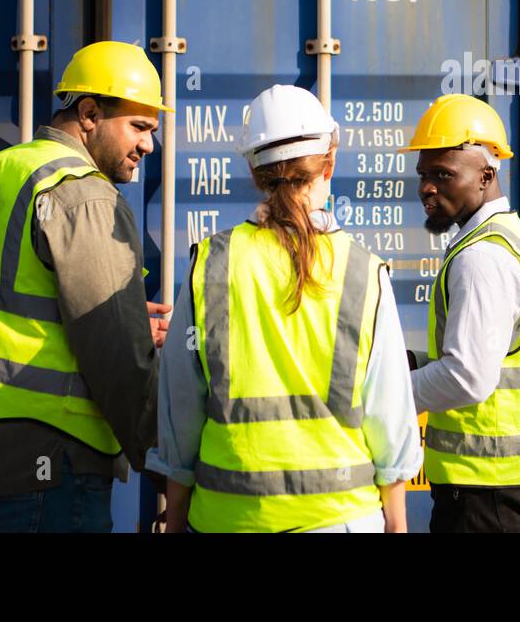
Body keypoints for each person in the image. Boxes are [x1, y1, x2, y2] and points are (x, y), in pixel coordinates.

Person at [0, 40, 173, 533]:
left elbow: (3, 303)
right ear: (89, 113)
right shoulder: (83, 195)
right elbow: (116, 358)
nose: (149, 145)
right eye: (140, 126)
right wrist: (165, 463)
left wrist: (117, 318)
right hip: (38, 463)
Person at [149, 84, 421, 533]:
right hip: (342, 520)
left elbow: (180, 411)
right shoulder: (362, 270)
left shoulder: (211, 265)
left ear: (254, 171)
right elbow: (388, 413)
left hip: (227, 519)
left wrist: (174, 518)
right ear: (329, 161)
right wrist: (397, 522)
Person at [399, 94, 520, 533]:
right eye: (423, 174)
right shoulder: (515, 238)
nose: (427, 187)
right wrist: (419, 364)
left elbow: (467, 376)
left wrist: (388, 393)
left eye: (443, 174)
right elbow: (496, 358)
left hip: (489, 483)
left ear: (486, 175)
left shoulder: (482, 256)